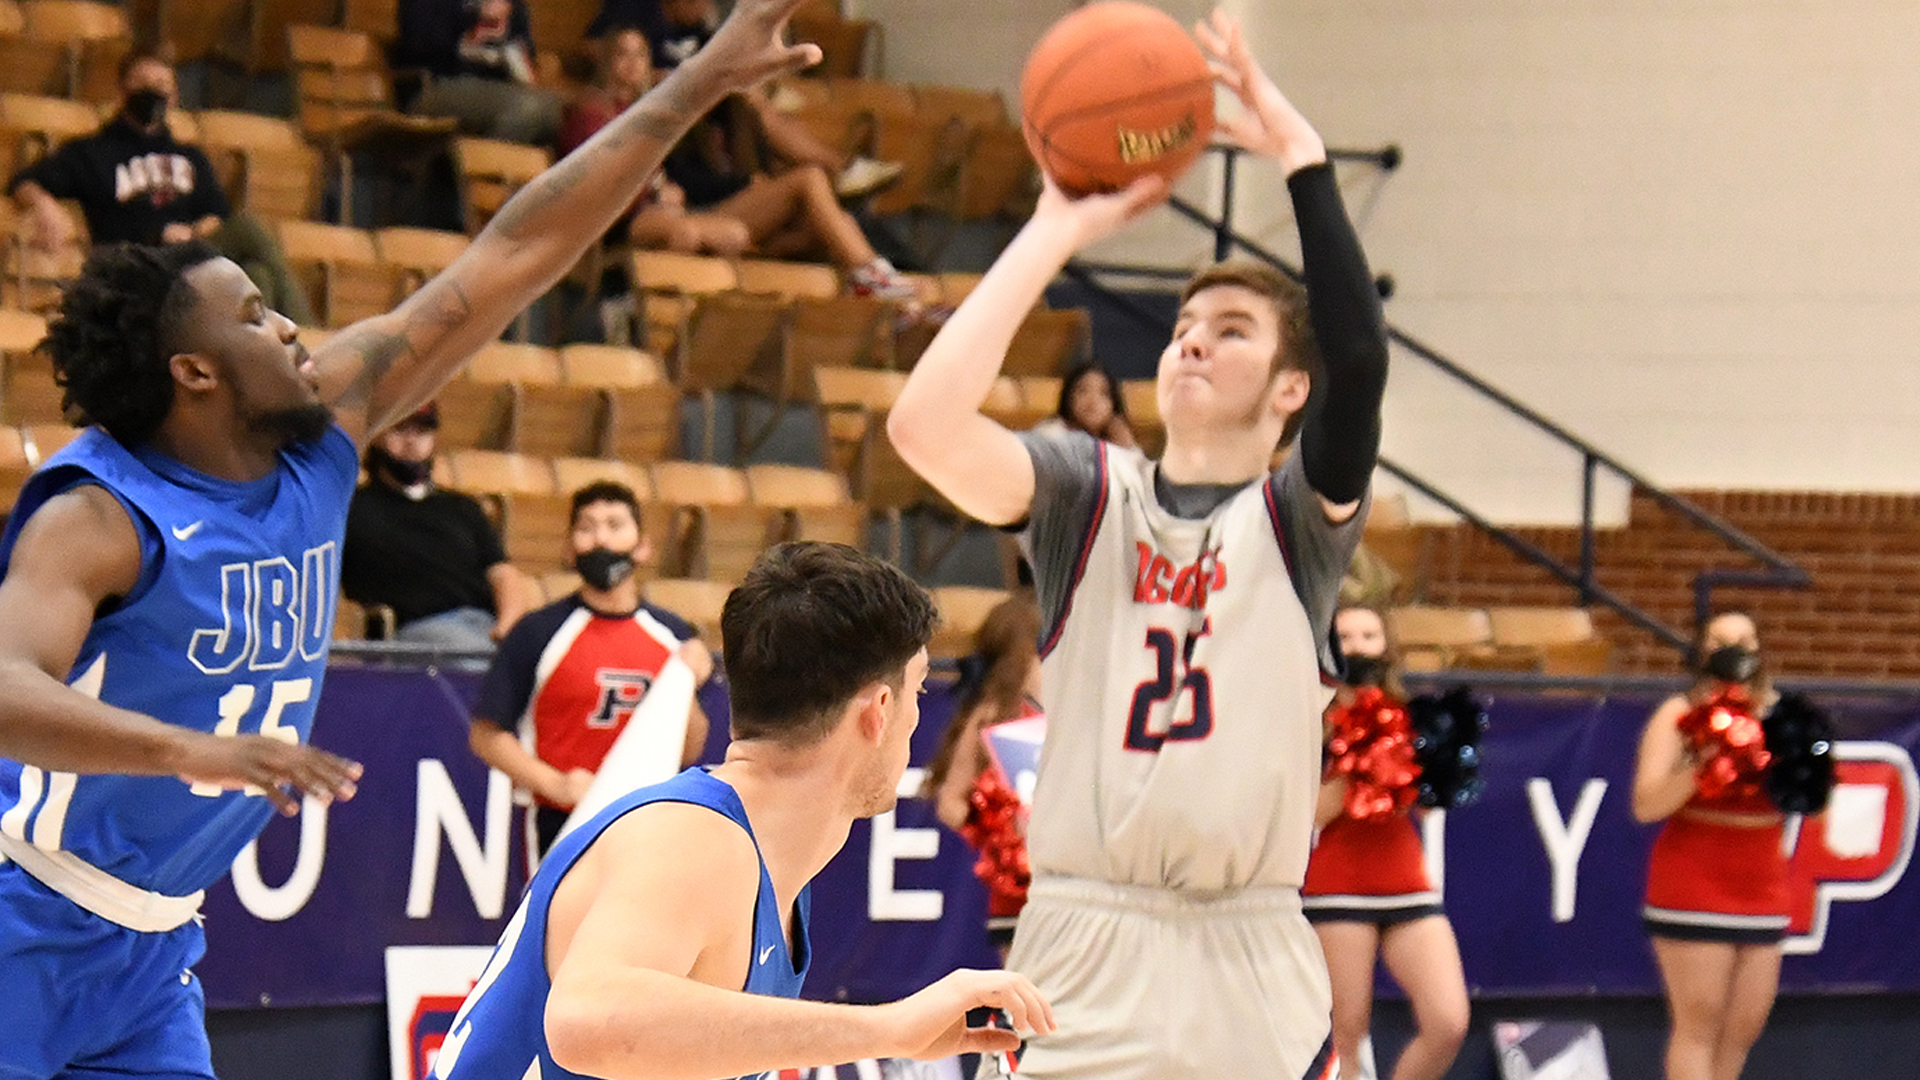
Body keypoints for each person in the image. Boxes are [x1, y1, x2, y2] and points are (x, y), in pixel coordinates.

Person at [0, 3, 847, 1075]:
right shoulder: (100, 515)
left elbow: (515, 250)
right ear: (194, 373)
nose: (292, 328)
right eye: (255, 318)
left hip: (154, 943)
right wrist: (193, 752)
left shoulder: (319, 430)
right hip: (20, 917)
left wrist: (693, 88)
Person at [887, 9, 1388, 1076]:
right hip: (1083, 935)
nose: (1195, 337)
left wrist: (1301, 160)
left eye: (1233, 330)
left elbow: (1359, 351)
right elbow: (923, 429)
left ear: (1292, 390)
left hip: (1246, 942)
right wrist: (1054, 230)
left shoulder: (1298, 522)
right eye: (1182, 326)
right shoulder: (1086, 491)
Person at [432, 542, 1056, 1080]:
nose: (920, 716)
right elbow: (584, 1018)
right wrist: (890, 1029)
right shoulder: (694, 837)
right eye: (918, 690)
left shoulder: (767, 858)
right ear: (879, 709)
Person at [470, 481, 715, 862]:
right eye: (587, 528)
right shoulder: (538, 631)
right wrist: (556, 784)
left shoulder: (674, 637)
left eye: (615, 525)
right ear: (569, 549)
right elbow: (486, 734)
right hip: (561, 822)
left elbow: (689, 749)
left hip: (645, 820)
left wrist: (689, 683)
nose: (601, 539)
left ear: (643, 546)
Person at [7, 50, 315, 325]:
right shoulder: (93, 151)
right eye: (143, 81)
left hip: (193, 257)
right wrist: (43, 204)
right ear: (122, 89)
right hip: (138, 264)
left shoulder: (190, 157)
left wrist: (196, 230)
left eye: (162, 84)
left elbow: (217, 214)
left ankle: (267, 366)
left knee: (259, 275)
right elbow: (22, 181)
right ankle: (310, 339)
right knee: (250, 228)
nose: (154, 91)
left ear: (175, 96)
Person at [1304, 604, 1469, 1080]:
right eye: (1347, 636)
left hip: (1406, 882)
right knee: (1345, 1034)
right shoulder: (1315, 718)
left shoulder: (1409, 715)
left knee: (1448, 1020)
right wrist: (1356, 759)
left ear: (1386, 645)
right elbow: (1312, 815)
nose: (1358, 646)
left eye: (1369, 635)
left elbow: (1427, 804)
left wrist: (1431, 766)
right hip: (1338, 885)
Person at [1633, 610, 1785, 1080]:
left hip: (1763, 882)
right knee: (1699, 1025)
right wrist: (1704, 765)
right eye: (1721, 639)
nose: (1734, 649)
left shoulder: (1781, 716)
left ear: (1760, 650)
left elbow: (1812, 800)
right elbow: (1646, 805)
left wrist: (1809, 767)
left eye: (1745, 639)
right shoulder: (1678, 715)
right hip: (1694, 879)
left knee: (1743, 1027)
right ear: (1701, 650)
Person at [341, 402, 527, 648]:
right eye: (399, 430)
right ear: (376, 435)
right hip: (415, 633)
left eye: (422, 432)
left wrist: (507, 628)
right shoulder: (352, 509)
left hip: (484, 627)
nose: (411, 442)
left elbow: (503, 574)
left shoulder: (462, 507)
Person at [924, 593, 1043, 958]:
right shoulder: (992, 715)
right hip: (1017, 890)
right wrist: (1000, 834)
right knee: (1026, 995)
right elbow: (950, 804)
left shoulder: (1074, 706)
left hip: (1073, 883)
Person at [400, 0, 564, 145]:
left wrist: (525, 67)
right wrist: (474, 26)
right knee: (528, 107)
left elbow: (525, 52)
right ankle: (477, 170)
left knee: (551, 108)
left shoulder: (513, 4)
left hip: (500, 88)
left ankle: (489, 171)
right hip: (438, 83)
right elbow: (417, 45)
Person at [1033, 362, 1136, 449]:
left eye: (1103, 393)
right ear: (1069, 397)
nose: (1093, 401)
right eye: (1083, 391)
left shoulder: (1119, 442)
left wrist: (1126, 448)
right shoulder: (1050, 435)